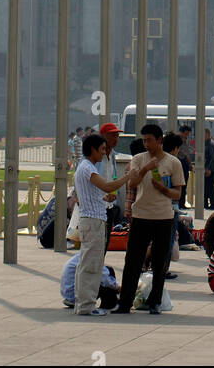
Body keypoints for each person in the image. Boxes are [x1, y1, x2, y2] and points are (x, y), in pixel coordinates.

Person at [114, 123, 184, 316]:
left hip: (163, 217)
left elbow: (177, 193)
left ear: (159, 140)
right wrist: (146, 168)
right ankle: (125, 302)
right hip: (140, 216)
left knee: (160, 262)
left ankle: (155, 301)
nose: (146, 144)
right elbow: (133, 183)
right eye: (144, 140)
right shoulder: (138, 159)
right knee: (132, 261)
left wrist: (163, 189)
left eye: (149, 140)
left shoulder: (173, 163)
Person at [73, 133, 131, 316]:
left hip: (93, 219)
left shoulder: (86, 167)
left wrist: (105, 198)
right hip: (93, 221)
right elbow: (106, 185)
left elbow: (94, 193)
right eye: (102, 149)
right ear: (93, 150)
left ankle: (83, 303)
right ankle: (86, 305)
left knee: (89, 263)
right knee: (91, 265)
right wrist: (127, 178)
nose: (104, 153)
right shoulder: (87, 168)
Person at [97, 122, 124, 252]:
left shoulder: (112, 155)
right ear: (104, 136)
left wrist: (113, 194)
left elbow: (112, 177)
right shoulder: (95, 158)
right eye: (113, 135)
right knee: (95, 245)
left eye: (117, 136)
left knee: (105, 243)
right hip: (96, 207)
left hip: (109, 206)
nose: (116, 139)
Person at [203, 128, 214, 210]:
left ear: (208, 135)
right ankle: (205, 203)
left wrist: (208, 168)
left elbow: (212, 158)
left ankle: (213, 204)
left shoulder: (211, 144)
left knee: (209, 186)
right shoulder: (206, 143)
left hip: (212, 169)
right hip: (209, 168)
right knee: (206, 186)